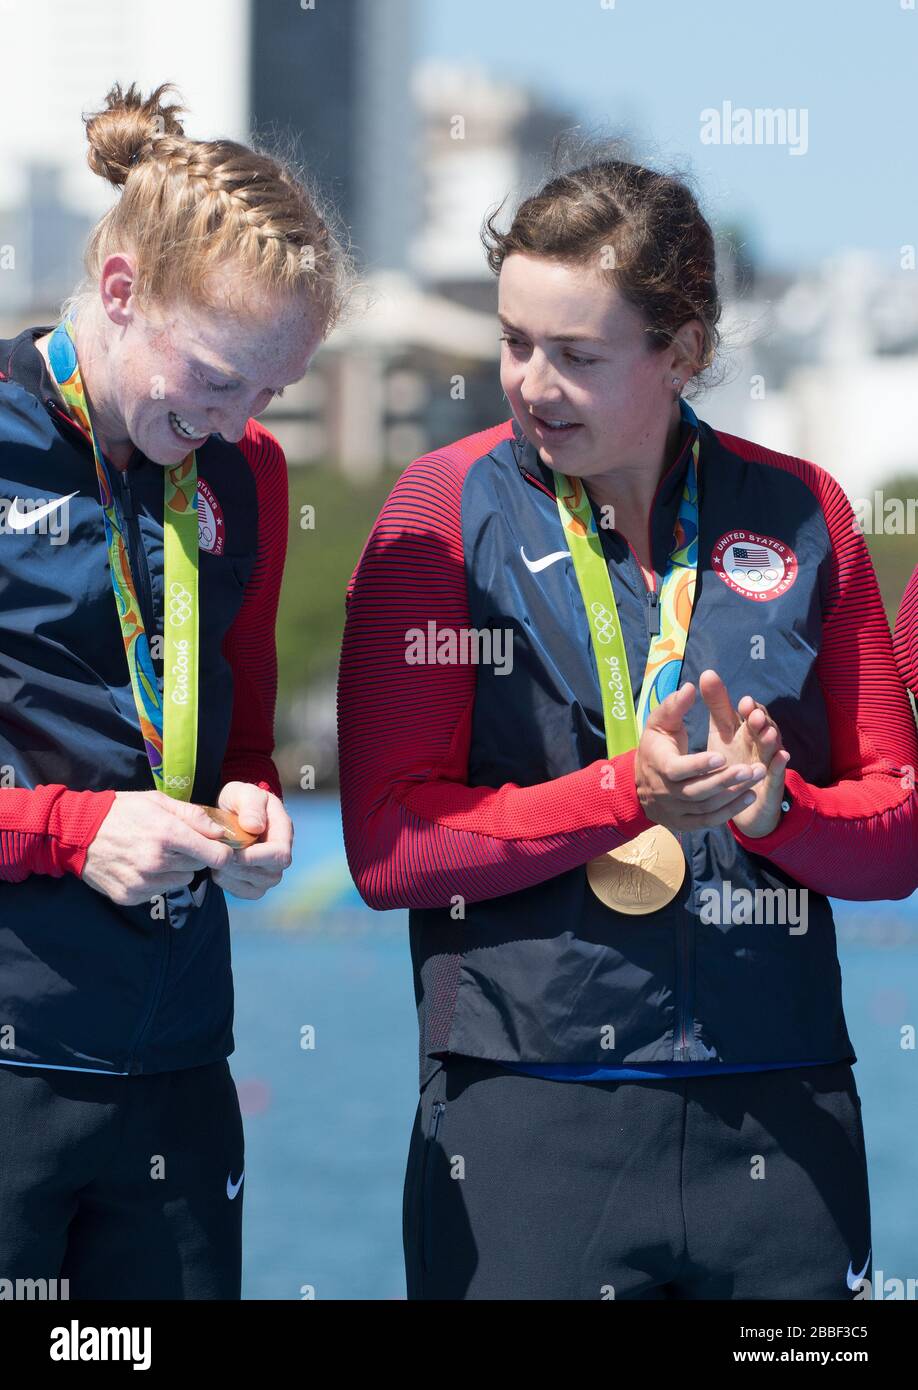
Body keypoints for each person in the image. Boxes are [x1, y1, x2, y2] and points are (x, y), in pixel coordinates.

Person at [337, 149, 918, 1300]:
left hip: (785, 1110)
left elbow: (897, 833)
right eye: (515, 343)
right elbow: (391, 847)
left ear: (684, 352)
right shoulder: (439, 512)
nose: (532, 383)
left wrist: (778, 809)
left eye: (577, 355)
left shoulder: (805, 509)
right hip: (530, 1117)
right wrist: (623, 799)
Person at [0, 81, 351, 1299]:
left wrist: (249, 815)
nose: (233, 419)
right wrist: (70, 831)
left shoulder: (243, 474)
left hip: (176, 1061)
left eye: (269, 392)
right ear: (118, 290)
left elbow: (235, 740)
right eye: (213, 376)